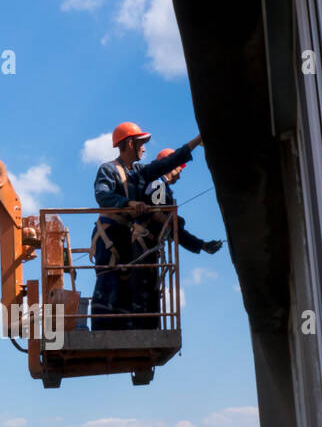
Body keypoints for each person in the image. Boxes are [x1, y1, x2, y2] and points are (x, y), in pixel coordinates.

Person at [91, 123, 203, 330]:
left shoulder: (140, 173)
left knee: (126, 288)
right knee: (109, 284)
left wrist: (197, 141)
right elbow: (102, 195)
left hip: (127, 237)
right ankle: (101, 332)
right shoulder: (108, 169)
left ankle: (124, 331)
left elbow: (169, 161)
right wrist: (128, 204)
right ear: (130, 143)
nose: (144, 148)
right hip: (109, 235)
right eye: (141, 144)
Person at [128, 149, 223, 329]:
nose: (179, 175)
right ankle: (144, 329)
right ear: (168, 166)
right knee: (143, 290)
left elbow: (171, 228)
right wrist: (176, 221)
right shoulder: (157, 184)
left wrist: (199, 243)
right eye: (178, 170)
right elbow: (157, 214)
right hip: (143, 245)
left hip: (149, 246)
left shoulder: (162, 188)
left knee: (149, 291)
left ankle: (148, 328)